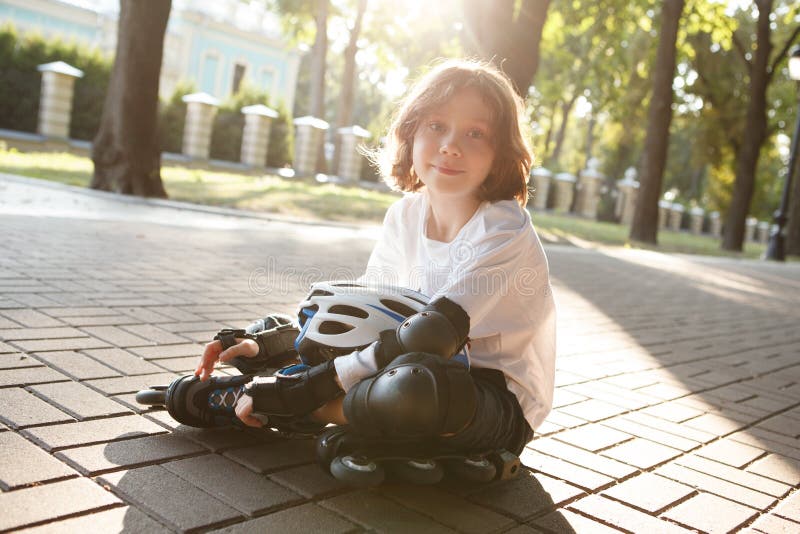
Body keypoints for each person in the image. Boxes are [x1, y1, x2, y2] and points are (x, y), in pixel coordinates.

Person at [191, 58, 556, 456]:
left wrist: (304, 388)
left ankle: (292, 406)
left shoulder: (505, 228)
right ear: (412, 132)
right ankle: (286, 381)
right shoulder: (405, 215)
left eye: (475, 133)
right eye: (437, 126)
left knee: (412, 389)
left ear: (499, 153)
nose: (451, 145)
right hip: (408, 361)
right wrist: (279, 344)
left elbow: (432, 333)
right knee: (308, 331)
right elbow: (368, 320)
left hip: (488, 398)